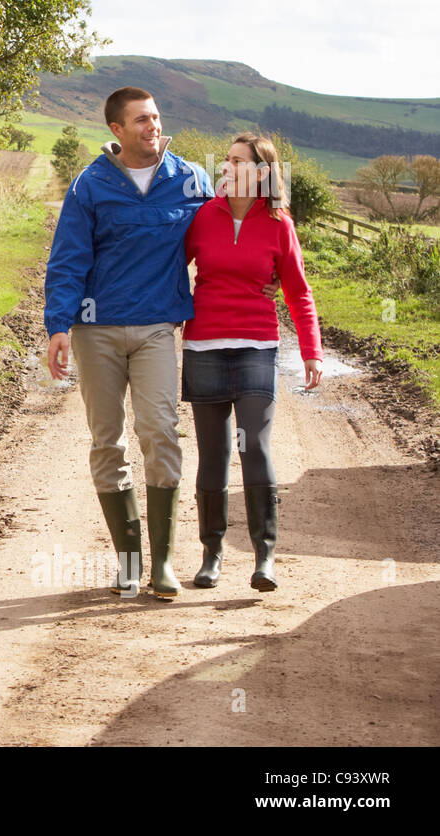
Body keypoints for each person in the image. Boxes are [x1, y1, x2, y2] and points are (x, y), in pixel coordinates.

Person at [44, 87, 214, 600]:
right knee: (106, 440)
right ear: (117, 129)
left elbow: (223, 235)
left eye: (156, 117)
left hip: (158, 327)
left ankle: (162, 563)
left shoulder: (189, 179)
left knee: (160, 430)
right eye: (141, 119)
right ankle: (129, 562)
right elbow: (68, 259)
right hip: (96, 331)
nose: (152, 126)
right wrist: (58, 325)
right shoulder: (89, 186)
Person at [183, 133, 323, 592]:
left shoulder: (279, 224)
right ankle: (213, 555)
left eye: (236, 161)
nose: (225, 167)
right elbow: (166, 270)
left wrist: (312, 351)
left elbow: (299, 290)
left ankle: (265, 558)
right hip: (203, 346)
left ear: (260, 173)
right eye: (224, 160)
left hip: (256, 347)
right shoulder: (203, 215)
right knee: (213, 454)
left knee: (255, 448)